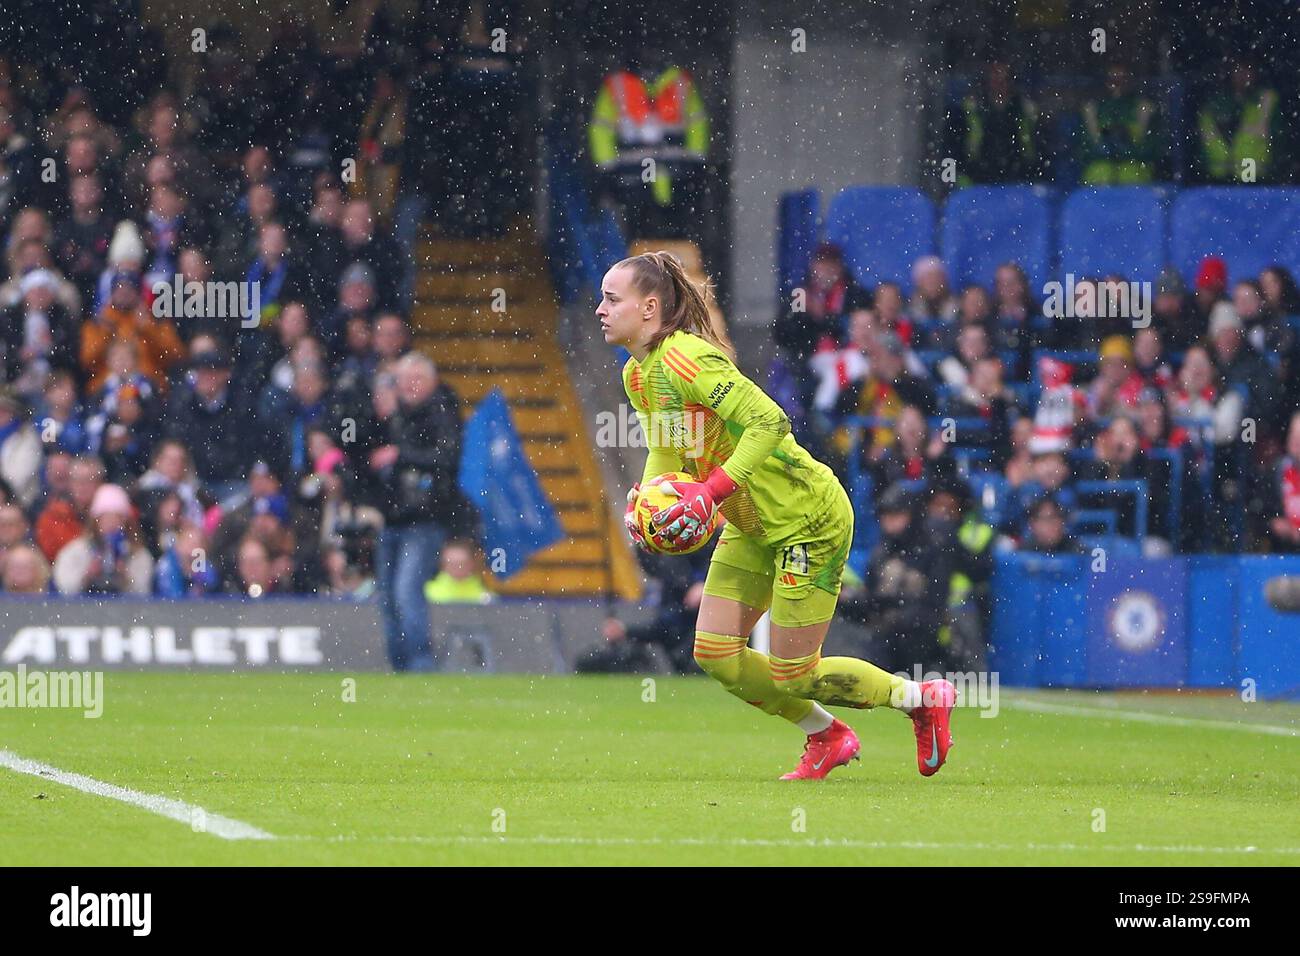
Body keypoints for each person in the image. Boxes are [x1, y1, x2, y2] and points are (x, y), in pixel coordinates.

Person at [599, 250, 955, 782]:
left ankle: (919, 698)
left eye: (611, 298)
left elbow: (770, 419)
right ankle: (827, 735)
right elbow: (671, 454)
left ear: (649, 307)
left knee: (794, 674)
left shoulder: (686, 360)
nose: (600, 309)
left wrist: (711, 491)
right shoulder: (639, 375)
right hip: (752, 523)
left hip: (807, 516)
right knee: (715, 651)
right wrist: (650, 499)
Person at [367, 352, 472, 671]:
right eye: (403, 380)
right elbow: (365, 455)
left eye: (416, 379)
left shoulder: (443, 411)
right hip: (392, 516)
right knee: (387, 596)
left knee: (406, 591)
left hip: (424, 519)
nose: (409, 386)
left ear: (432, 381)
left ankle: (420, 663)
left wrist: (402, 455)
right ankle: (400, 665)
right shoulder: (391, 415)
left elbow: (447, 457)